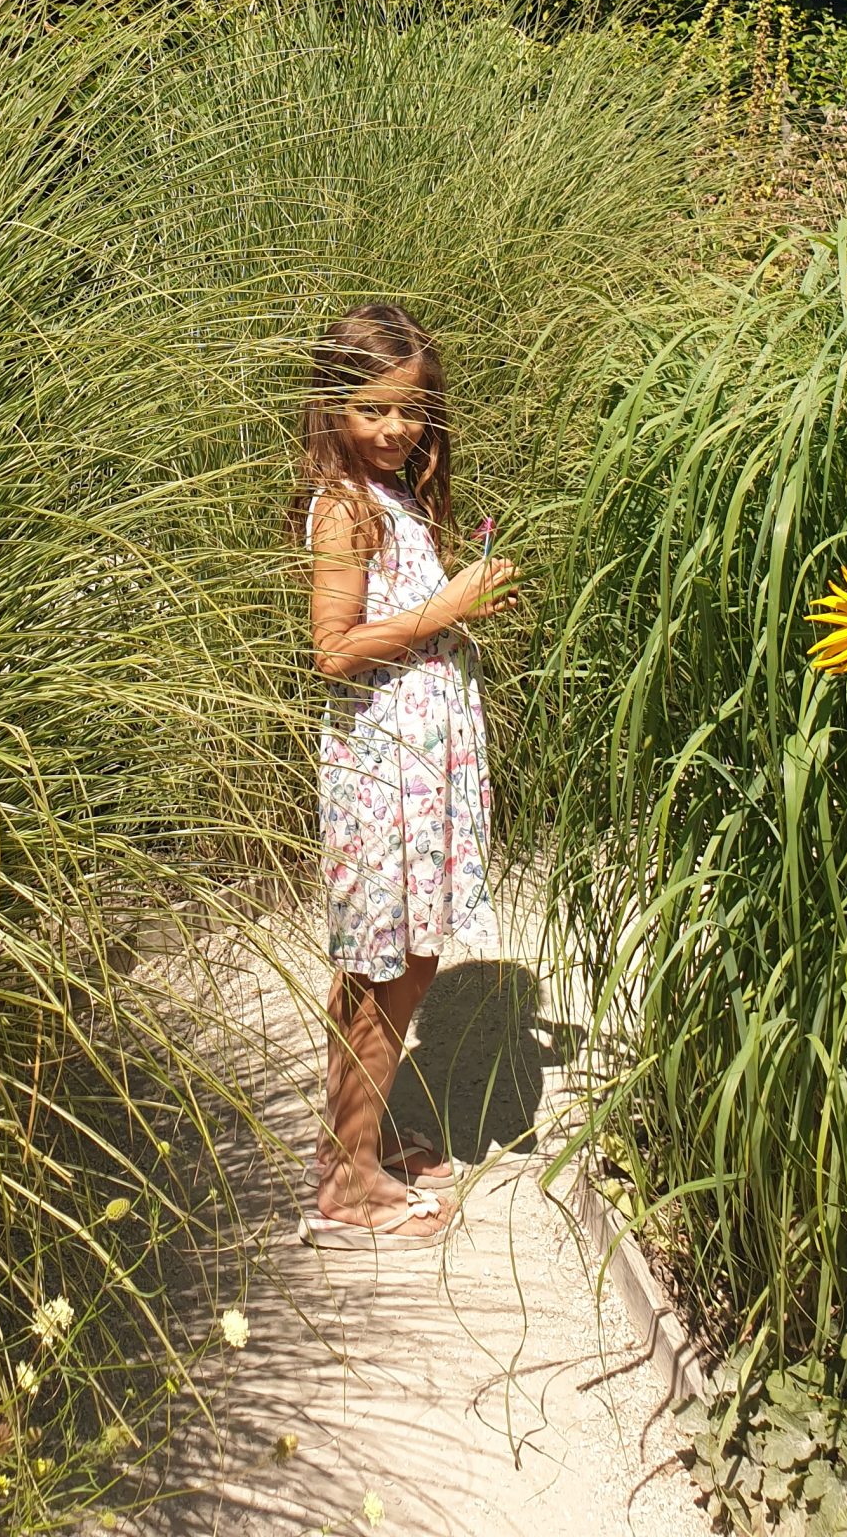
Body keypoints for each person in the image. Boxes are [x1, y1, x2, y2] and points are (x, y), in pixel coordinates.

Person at [293, 302, 516, 1245]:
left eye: (410, 411)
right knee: (396, 965)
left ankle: (354, 1146)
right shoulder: (345, 506)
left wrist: (452, 594)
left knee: (384, 963)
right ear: (334, 406)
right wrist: (444, 609)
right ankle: (350, 1184)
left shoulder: (393, 498)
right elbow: (332, 652)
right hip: (383, 770)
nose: (393, 431)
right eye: (372, 411)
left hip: (410, 764)